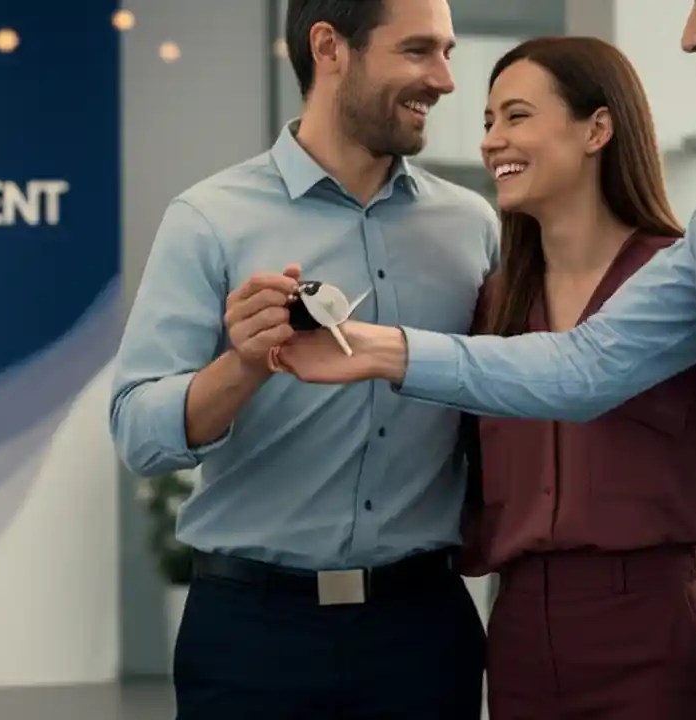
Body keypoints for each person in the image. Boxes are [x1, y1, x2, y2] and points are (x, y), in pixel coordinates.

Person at [268, 1, 696, 717]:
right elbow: (581, 369)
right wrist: (381, 349)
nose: (689, 35)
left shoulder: (673, 246)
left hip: (662, 621)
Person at [109, 0, 499, 716]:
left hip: (424, 630)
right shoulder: (209, 219)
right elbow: (138, 432)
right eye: (418, 51)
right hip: (252, 636)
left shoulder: (473, 227)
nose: (445, 79)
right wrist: (244, 365)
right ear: (329, 48)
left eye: (446, 51)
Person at [463, 36, 696, 718]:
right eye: (487, 122)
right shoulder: (492, 302)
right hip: (517, 627)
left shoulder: (683, 280)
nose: (493, 141)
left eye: (515, 116)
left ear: (598, 129)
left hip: (655, 624)